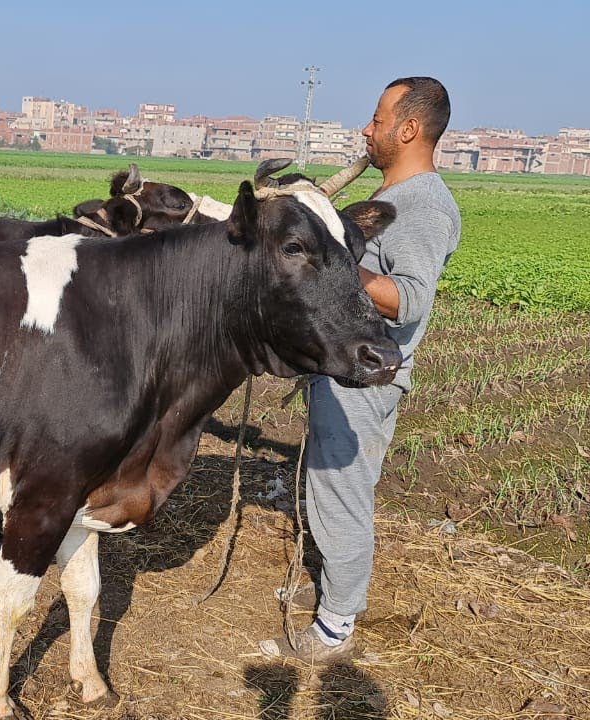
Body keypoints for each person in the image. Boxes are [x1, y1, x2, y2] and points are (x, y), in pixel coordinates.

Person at [260, 77, 461, 661]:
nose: (365, 132)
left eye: (376, 121)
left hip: (367, 378)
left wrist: (335, 265)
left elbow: (411, 298)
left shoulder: (423, 205)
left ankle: (336, 624)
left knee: (342, 492)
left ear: (407, 130)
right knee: (328, 484)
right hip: (345, 371)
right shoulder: (397, 195)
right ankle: (332, 589)